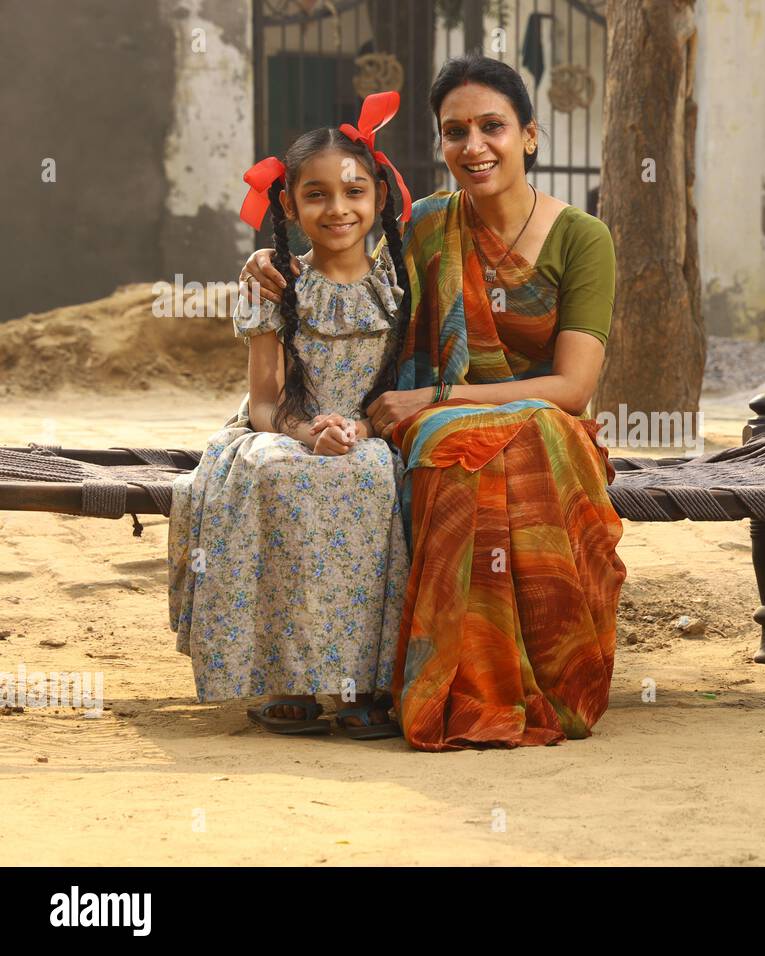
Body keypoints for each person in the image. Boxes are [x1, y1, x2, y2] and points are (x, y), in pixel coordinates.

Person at [242, 55, 627, 751]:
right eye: (455, 132)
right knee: (449, 451)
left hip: (544, 426)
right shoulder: (422, 226)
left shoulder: (581, 237)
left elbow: (573, 389)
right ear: (440, 144)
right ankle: (448, 677)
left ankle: (523, 673)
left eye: (492, 127)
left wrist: (441, 395)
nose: (473, 146)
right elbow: (341, 272)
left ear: (529, 136)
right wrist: (270, 262)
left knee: (490, 438)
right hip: (424, 422)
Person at [169, 93, 415, 740]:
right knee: (277, 475)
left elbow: (402, 386)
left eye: (354, 192)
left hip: (369, 433)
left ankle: (363, 679)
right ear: (288, 206)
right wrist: (310, 432)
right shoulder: (272, 283)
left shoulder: (400, 287)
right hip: (282, 430)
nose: (338, 209)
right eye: (316, 195)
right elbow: (263, 404)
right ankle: (287, 674)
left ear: (380, 198)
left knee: (374, 479)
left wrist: (360, 427)